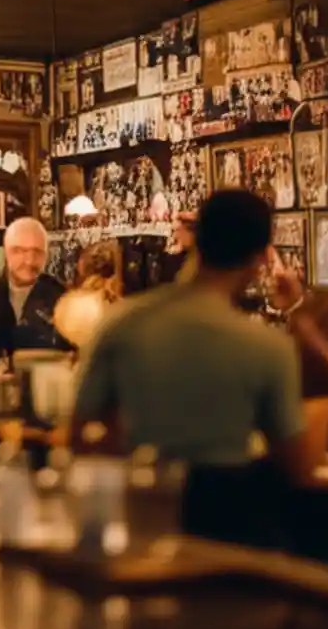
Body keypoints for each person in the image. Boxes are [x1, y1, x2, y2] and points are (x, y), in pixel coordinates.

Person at [71, 190, 315, 482]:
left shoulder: (121, 323)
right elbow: (297, 466)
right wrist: (299, 310)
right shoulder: (268, 348)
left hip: (142, 509)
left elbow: (77, 432)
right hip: (230, 521)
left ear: (195, 239)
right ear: (261, 258)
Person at [0, 217, 73, 371]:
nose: (29, 261)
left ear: (46, 255)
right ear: (5, 252)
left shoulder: (64, 302)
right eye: (19, 251)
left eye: (37, 252)